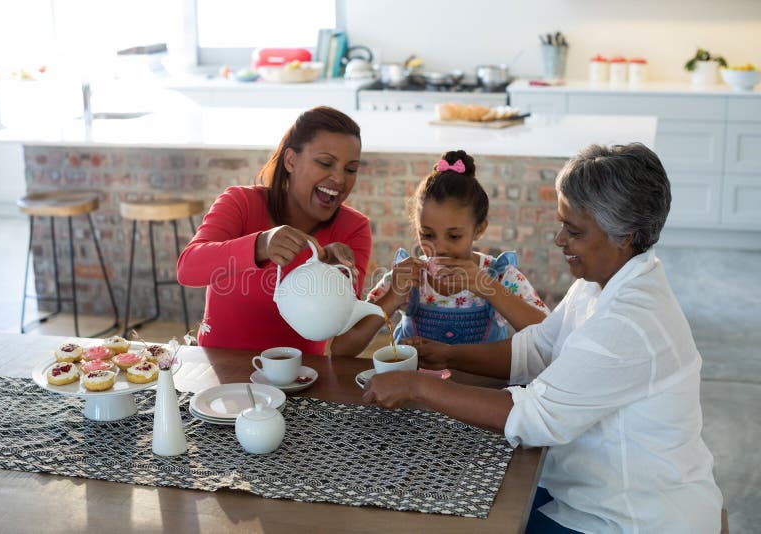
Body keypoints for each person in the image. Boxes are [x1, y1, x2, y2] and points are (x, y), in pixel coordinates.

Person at [362, 143, 723, 533]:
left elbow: (534, 417)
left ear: (624, 236)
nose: (558, 240)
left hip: (626, 517)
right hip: (585, 492)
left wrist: (418, 386)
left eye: (574, 230)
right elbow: (537, 348)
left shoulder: (630, 320)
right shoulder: (602, 284)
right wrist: (448, 354)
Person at [177, 106, 371, 353]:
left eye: (350, 169)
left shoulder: (353, 229)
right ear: (291, 160)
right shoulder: (240, 203)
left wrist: (333, 276)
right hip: (221, 372)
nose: (340, 179)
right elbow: (188, 268)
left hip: (303, 378)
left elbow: (343, 333)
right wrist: (261, 245)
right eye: (325, 163)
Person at [330, 149, 548, 358]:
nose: (439, 248)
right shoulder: (406, 279)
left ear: (479, 229)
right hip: (414, 389)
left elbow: (550, 337)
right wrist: (392, 297)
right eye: (427, 235)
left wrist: (489, 288)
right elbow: (341, 349)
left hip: (482, 393)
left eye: (453, 236)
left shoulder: (500, 276)